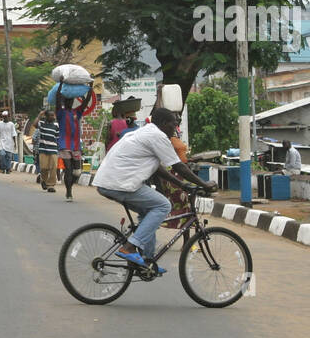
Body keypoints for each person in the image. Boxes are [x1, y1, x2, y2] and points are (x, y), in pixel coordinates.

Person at [93, 107, 215, 272]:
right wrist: (204, 184)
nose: (175, 127)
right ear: (164, 124)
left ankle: (146, 261)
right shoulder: (157, 136)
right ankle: (130, 247)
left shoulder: (144, 132)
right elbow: (178, 166)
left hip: (108, 182)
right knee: (163, 206)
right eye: (174, 124)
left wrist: (182, 185)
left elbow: (158, 168)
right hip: (120, 183)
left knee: (148, 213)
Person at [56, 90, 87, 200]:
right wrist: (60, 84)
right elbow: (57, 100)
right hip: (64, 144)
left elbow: (85, 104)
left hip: (76, 146)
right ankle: (69, 192)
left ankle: (69, 185)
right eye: (68, 100)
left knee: (77, 172)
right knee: (68, 169)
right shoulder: (60, 112)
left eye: (71, 100)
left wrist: (90, 90)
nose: (70, 102)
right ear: (64, 101)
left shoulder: (76, 112)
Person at [35, 109, 60, 192]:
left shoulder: (56, 125)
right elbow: (35, 124)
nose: (53, 117)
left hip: (53, 149)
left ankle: (51, 185)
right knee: (44, 168)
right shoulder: (42, 124)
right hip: (43, 150)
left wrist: (59, 149)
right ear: (46, 116)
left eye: (53, 115)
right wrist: (39, 115)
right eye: (51, 115)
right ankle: (44, 180)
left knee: (53, 168)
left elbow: (57, 137)